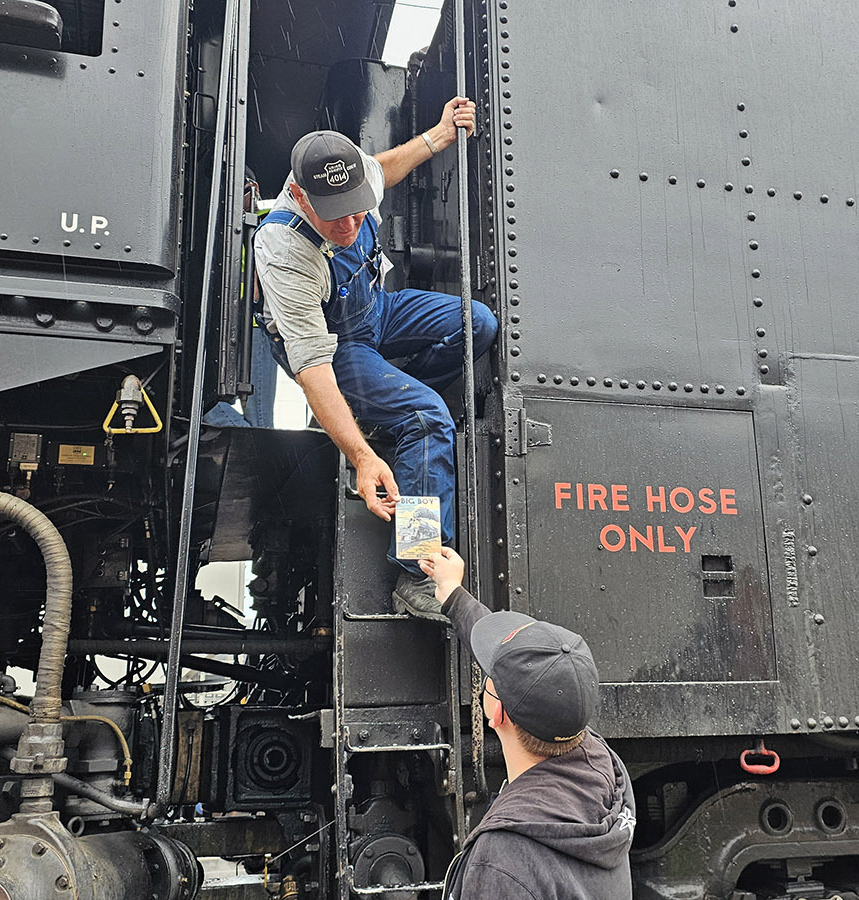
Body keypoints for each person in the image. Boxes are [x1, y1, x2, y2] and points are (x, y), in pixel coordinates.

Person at [253, 99, 498, 618]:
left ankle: (385, 399)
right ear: (299, 195)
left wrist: (436, 138)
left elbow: (384, 168)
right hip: (335, 348)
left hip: (376, 309)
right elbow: (312, 368)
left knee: (477, 323)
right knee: (427, 416)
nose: (351, 223)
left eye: (358, 210)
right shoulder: (282, 248)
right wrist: (363, 458)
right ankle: (416, 571)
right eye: (336, 217)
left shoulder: (355, 175)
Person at [418, 546, 635, 898]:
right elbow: (531, 681)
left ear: (496, 711)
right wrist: (453, 595)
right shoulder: (605, 767)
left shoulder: (499, 862)